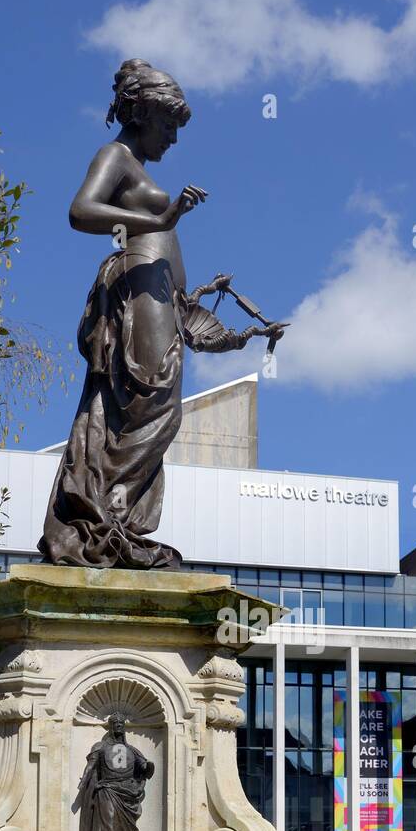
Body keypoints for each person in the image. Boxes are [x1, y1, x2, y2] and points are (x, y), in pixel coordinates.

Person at [39, 58, 285, 570]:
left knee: (153, 406)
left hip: (160, 293)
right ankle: (102, 520)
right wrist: (162, 217)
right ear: (141, 113)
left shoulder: (140, 168)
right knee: (153, 403)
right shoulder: (116, 155)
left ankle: (115, 522)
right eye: (167, 125)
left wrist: (197, 297)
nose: (172, 138)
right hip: (138, 287)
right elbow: (81, 210)